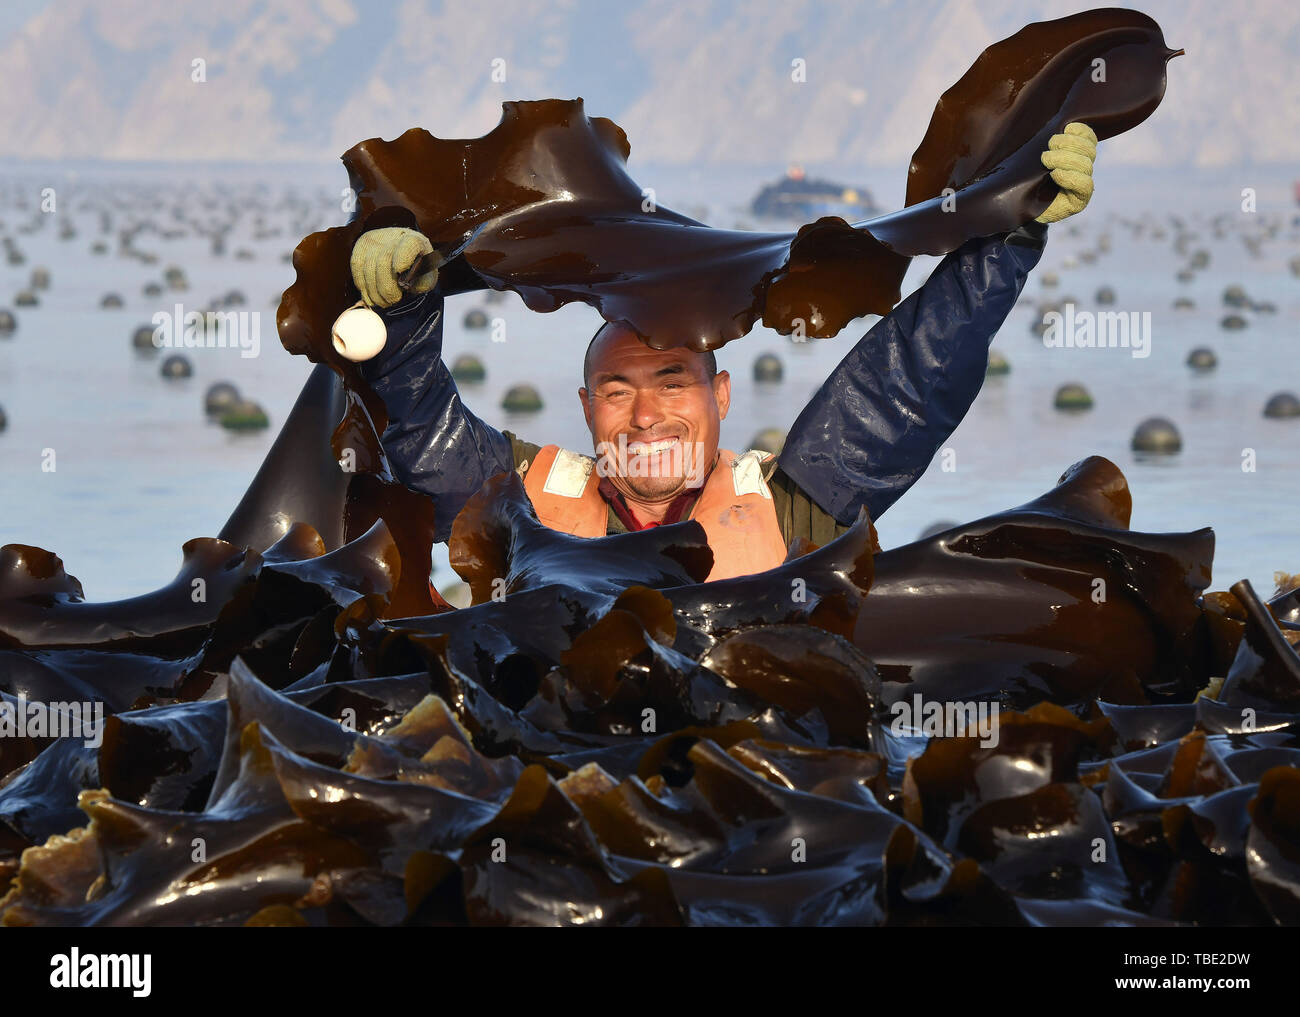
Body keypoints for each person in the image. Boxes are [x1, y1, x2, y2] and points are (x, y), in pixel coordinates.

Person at [348, 125, 1099, 582]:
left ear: (722, 397)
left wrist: (1009, 233)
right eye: (616, 390)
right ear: (586, 409)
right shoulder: (520, 499)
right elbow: (427, 437)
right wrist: (404, 305)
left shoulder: (796, 506)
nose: (646, 417)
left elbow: (908, 380)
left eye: (673, 383)